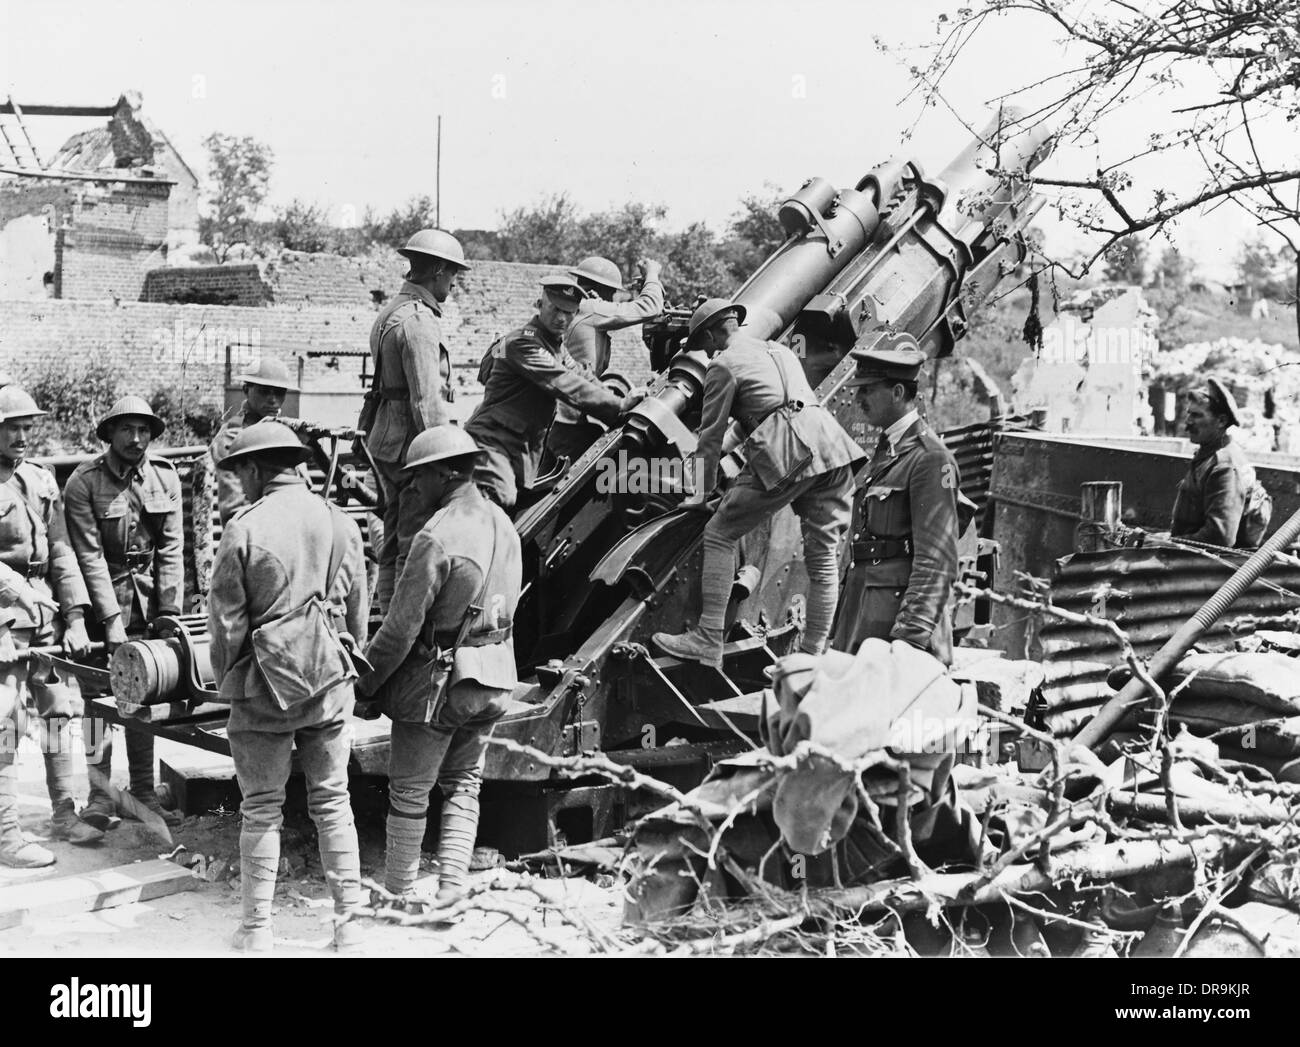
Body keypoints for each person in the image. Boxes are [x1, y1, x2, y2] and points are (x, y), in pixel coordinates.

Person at [208, 421, 369, 952]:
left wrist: (229, 683)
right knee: (332, 801)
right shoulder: (338, 520)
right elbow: (355, 611)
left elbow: (228, 627)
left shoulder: (244, 528)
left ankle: (256, 931)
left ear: (254, 469)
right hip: (328, 683)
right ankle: (350, 925)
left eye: (241, 472)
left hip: (262, 691)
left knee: (261, 808)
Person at [357, 426, 520, 904]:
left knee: (409, 793)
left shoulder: (438, 535)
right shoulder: (503, 524)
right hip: (493, 677)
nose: (411, 489)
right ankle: (451, 893)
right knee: (465, 785)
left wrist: (365, 683)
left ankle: (399, 895)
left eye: (416, 479)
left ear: (445, 473)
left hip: (441, 684)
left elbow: (399, 631)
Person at [652, 299, 864, 667]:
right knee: (823, 559)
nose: (702, 350)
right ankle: (811, 659)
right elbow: (763, 409)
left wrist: (700, 495)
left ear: (712, 333)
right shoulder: (778, 350)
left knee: (719, 532)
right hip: (830, 445)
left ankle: (707, 638)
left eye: (700, 341)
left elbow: (710, 439)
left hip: (787, 450)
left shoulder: (722, 365)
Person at [64, 396, 183, 828]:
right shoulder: (84, 483)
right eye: (127, 430)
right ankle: (99, 795)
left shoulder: (164, 477)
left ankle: (143, 790)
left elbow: (171, 549)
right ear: (109, 434)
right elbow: (88, 555)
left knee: (143, 697)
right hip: (102, 608)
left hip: (149, 606)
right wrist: (111, 620)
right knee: (98, 702)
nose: (137, 439)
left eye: (144, 430)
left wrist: (169, 615)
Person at [0, 387, 103, 866]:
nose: (22, 436)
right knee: (5, 722)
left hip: (45, 614)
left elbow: (61, 551)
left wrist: (75, 616)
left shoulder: (41, 479)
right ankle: (6, 835)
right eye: (11, 427)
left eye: (26, 427)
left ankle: (64, 813)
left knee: (61, 711)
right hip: (4, 617)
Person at [466, 275, 645, 512]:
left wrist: (621, 401)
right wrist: (618, 405)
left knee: (520, 510)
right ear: (540, 306)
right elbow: (564, 382)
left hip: (520, 448)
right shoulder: (523, 343)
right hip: (492, 445)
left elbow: (581, 375)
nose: (562, 318)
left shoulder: (555, 345)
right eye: (555, 309)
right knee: (499, 500)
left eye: (569, 312)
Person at [831, 341, 961, 665]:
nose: (858, 399)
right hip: (863, 616)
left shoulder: (932, 459)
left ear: (898, 393)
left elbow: (937, 560)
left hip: (894, 629)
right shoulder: (886, 452)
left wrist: (909, 641)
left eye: (868, 390)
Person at [360, 228, 469, 611]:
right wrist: (447, 464)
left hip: (387, 446)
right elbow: (427, 403)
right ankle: (400, 631)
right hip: (412, 453)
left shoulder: (392, 311)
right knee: (412, 545)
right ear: (437, 270)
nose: (452, 283)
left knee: (391, 545)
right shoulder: (419, 322)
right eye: (452, 274)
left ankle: (386, 619)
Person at [542, 256, 665, 466]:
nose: (614, 299)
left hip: (559, 415)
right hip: (564, 420)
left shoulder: (580, 309)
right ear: (602, 290)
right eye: (613, 293)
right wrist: (652, 274)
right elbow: (650, 307)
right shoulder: (590, 307)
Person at [1170, 377, 1271, 549]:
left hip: (1206, 567)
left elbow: (1220, 537)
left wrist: (1170, 544)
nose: (1187, 421)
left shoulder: (1225, 467)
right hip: (1189, 556)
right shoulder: (1208, 455)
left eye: (1196, 415)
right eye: (1188, 413)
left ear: (1222, 421)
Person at [209, 354, 301, 524]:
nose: (273, 400)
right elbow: (235, 510)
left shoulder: (284, 433)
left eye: (279, 393)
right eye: (264, 391)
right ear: (246, 390)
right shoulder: (233, 437)